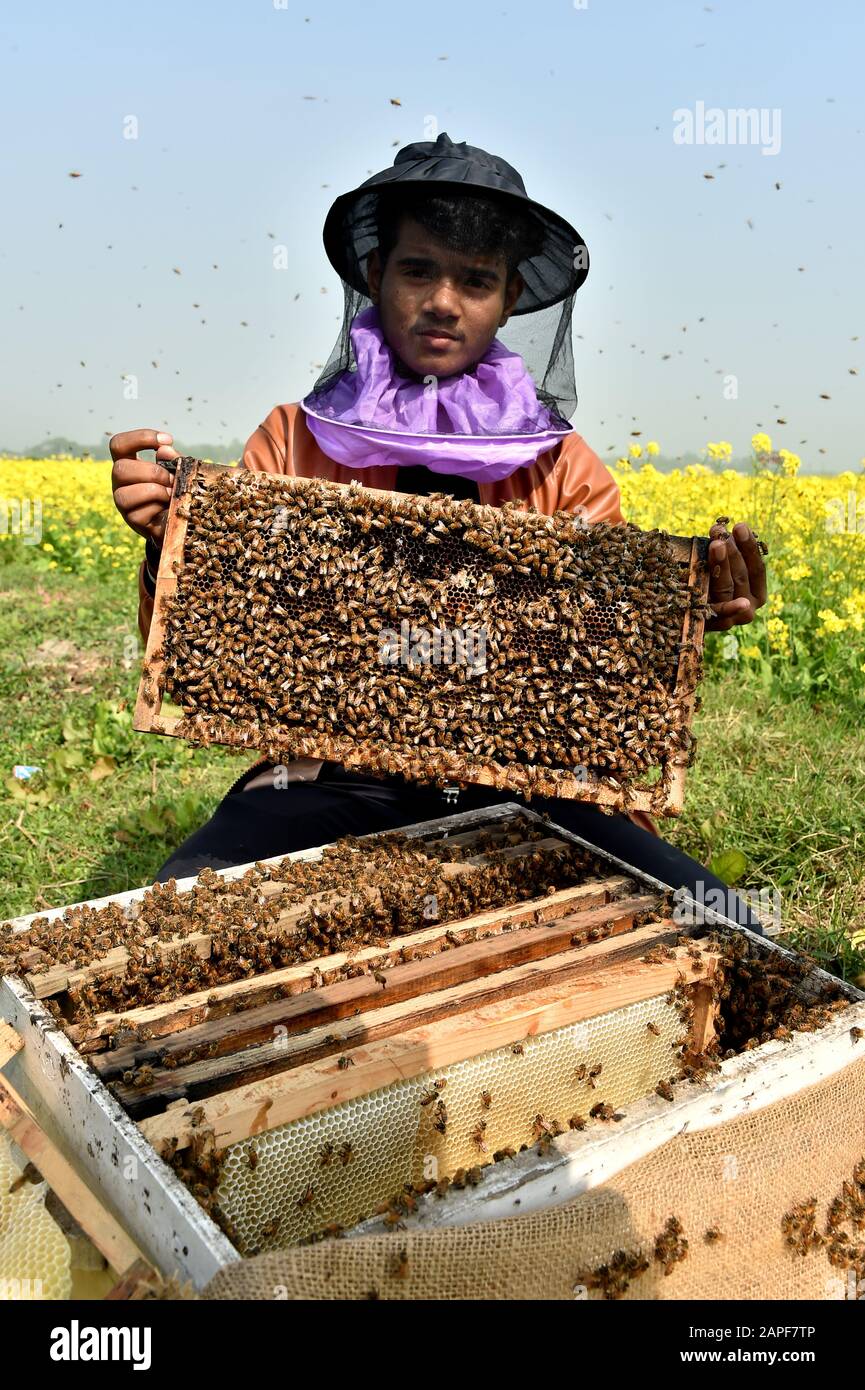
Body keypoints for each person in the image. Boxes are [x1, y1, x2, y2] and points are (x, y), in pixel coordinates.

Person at [110, 133, 768, 929]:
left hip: (529, 779)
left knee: (720, 922)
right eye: (419, 269)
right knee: (191, 911)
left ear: (511, 296)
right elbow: (226, 649)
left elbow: (599, 659)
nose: (444, 301)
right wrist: (166, 545)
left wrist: (680, 618)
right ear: (373, 274)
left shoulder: (565, 469)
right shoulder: (289, 443)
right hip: (331, 773)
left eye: (476, 279)